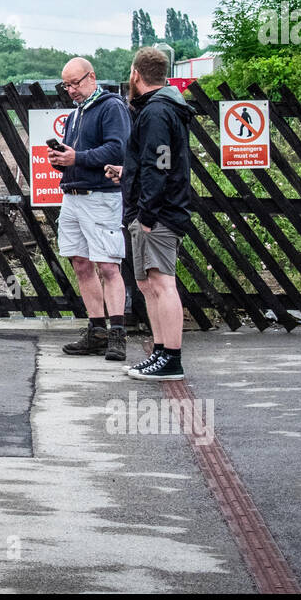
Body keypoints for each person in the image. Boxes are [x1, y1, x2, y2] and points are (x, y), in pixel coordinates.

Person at [104, 47, 193, 381]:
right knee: (146, 283)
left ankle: (171, 358)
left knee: (162, 282)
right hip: (152, 208)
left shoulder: (156, 112)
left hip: (157, 214)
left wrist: (147, 214)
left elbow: (159, 163)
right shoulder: (162, 108)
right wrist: (125, 172)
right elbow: (153, 161)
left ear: (135, 75)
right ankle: (159, 352)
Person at [47, 57, 131, 361]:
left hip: (101, 196)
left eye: (75, 83)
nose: (70, 90)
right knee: (80, 263)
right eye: (66, 85)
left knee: (108, 265)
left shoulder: (111, 107)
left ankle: (118, 333)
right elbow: (78, 155)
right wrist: (62, 160)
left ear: (91, 77)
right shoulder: (75, 115)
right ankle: (97, 331)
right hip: (73, 196)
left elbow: (118, 148)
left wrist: (77, 158)